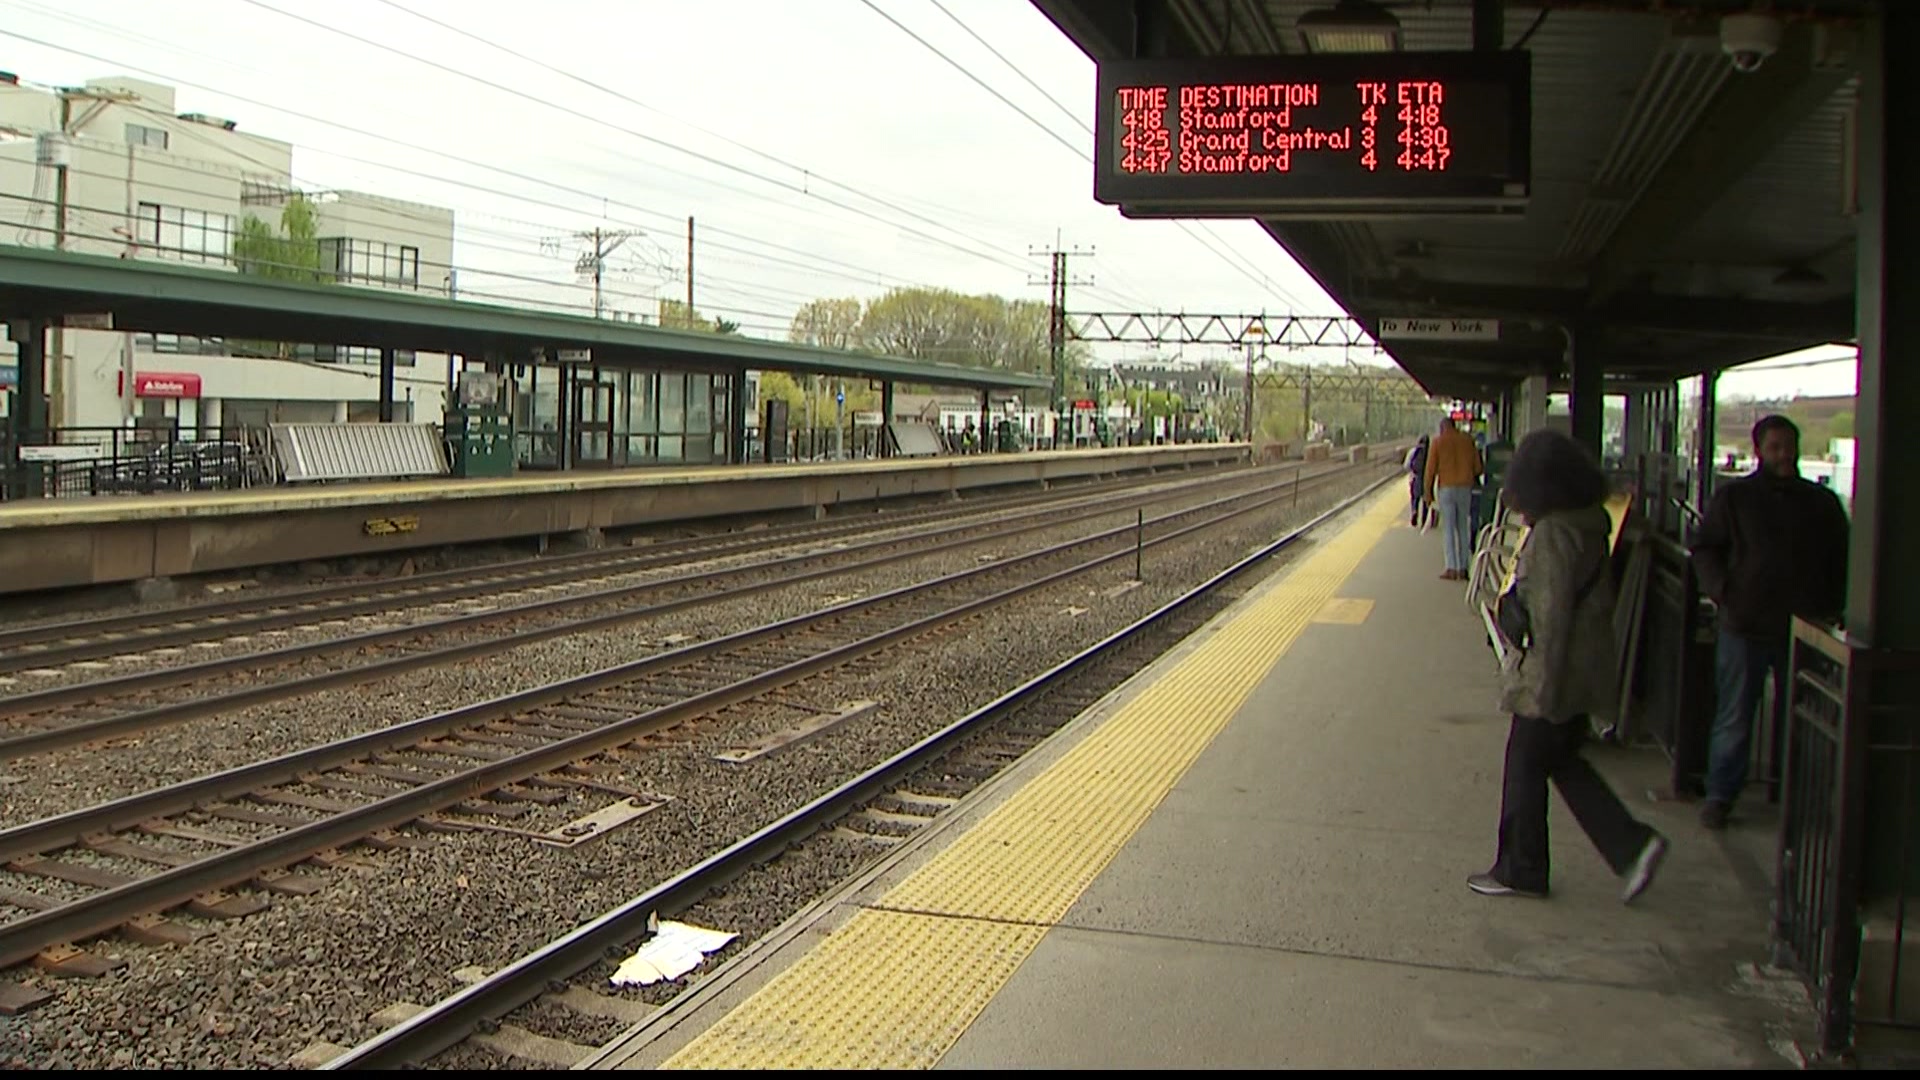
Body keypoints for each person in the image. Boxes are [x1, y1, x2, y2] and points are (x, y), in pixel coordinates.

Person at [1470, 429, 1669, 903]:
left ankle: (1523, 869)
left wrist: (1544, 691)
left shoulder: (1556, 535)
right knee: (1561, 762)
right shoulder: (1589, 522)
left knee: (1525, 763)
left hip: (1553, 673)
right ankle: (1632, 846)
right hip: (1581, 669)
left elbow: (1552, 618)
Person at [1689, 415, 1850, 831]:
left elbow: (1841, 558)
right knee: (1735, 716)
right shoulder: (1735, 499)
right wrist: (1724, 592)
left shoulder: (1822, 503)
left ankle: (1799, 796)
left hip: (1805, 627)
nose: (1785, 454)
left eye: (1789, 445)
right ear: (1760, 450)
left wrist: (1833, 607)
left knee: (1801, 720)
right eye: (1776, 446)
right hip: (1745, 623)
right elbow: (1706, 548)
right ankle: (1721, 795)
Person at [1423, 417, 1484, 580]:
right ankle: (1464, 568)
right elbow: (1478, 468)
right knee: (1463, 527)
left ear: (1442, 428)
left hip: (1447, 489)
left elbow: (1430, 471)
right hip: (1465, 488)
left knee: (1448, 529)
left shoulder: (1438, 442)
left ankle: (1451, 567)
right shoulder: (1467, 441)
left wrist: (1427, 493)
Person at [1404, 435, 1431, 527]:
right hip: (1427, 478)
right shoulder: (1430, 452)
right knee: (1426, 499)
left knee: (1415, 498)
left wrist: (1412, 471)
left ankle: (1414, 511)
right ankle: (1424, 520)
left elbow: (1406, 466)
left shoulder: (1413, 451)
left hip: (1415, 477)